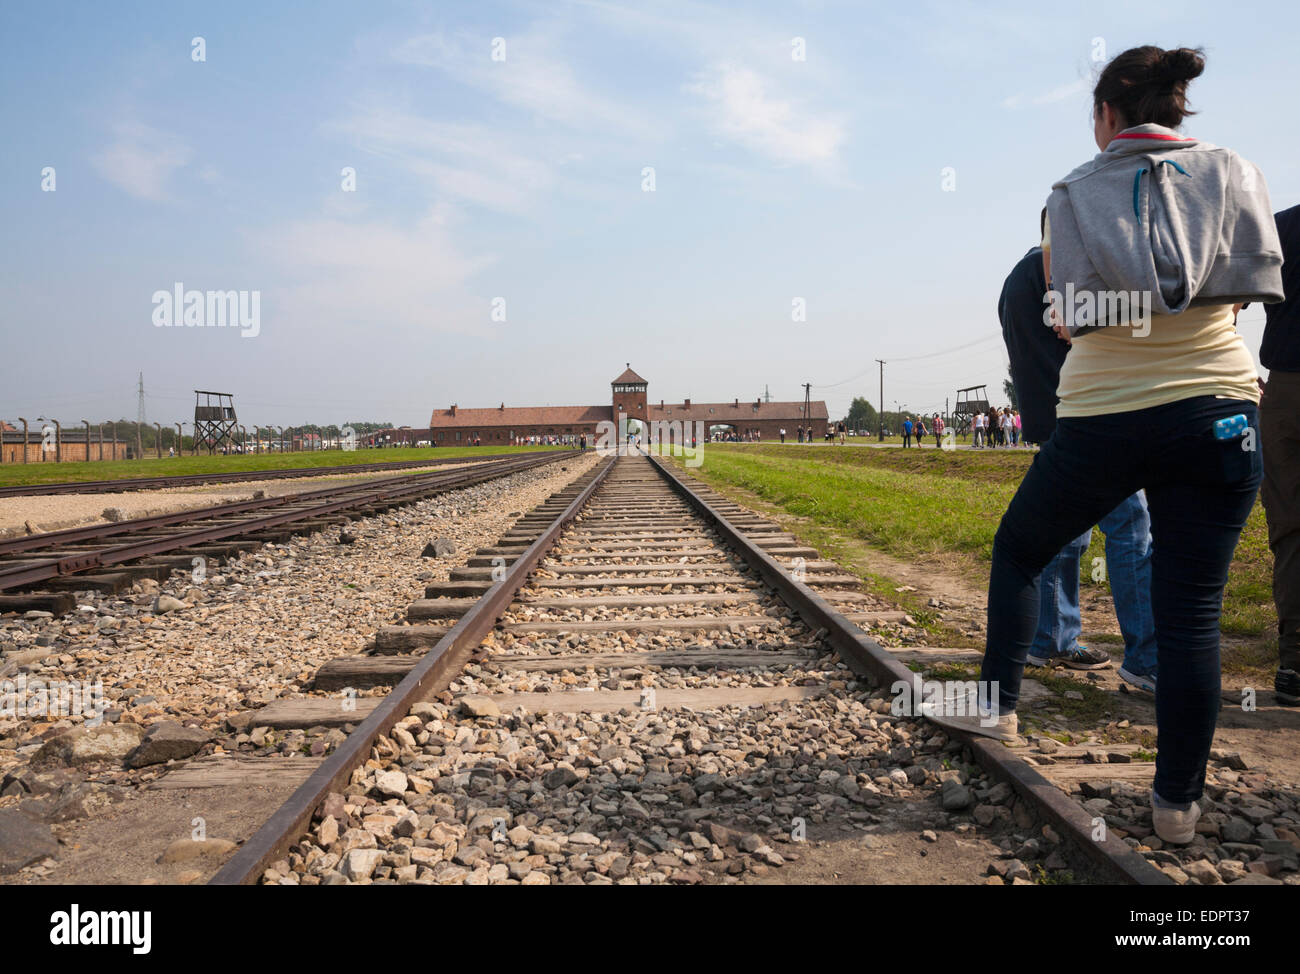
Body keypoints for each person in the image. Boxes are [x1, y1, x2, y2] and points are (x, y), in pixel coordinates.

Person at [933, 46, 1283, 847]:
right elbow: (1249, 288)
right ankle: (1175, 808)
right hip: (1220, 409)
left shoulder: (1071, 193)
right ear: (1177, 107)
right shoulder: (1236, 171)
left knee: (1021, 550)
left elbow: (1065, 314)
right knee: (1192, 611)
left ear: (1106, 115)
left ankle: (997, 710)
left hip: (1107, 414)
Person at [1260, 204, 1300, 705]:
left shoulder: (1277, 227)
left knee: (1290, 528)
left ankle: (1294, 662)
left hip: (1284, 391)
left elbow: (1228, 304)